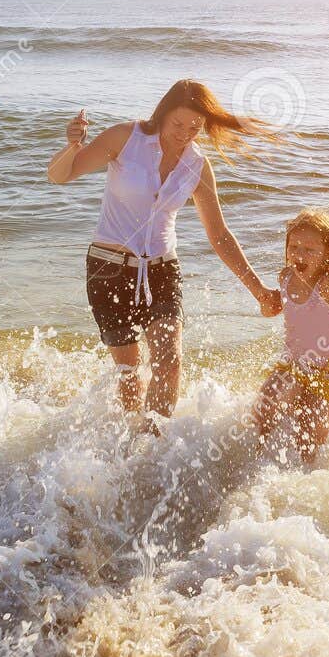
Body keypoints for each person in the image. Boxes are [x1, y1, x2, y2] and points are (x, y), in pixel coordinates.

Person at [47, 79, 281, 426]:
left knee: (169, 363)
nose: (185, 133)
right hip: (108, 269)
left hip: (162, 270)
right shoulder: (125, 138)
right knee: (129, 375)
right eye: (177, 124)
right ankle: (129, 452)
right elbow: (59, 176)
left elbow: (219, 234)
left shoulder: (198, 166)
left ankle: (153, 450)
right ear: (163, 113)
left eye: (194, 127)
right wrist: (72, 145)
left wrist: (258, 289)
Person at [252, 209, 329, 465]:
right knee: (262, 409)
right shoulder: (285, 278)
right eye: (294, 246)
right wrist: (269, 305)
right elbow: (277, 307)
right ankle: (258, 460)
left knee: (309, 426)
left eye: (310, 250)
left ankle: (307, 473)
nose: (299, 254)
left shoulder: (328, 285)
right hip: (293, 366)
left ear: (327, 254)